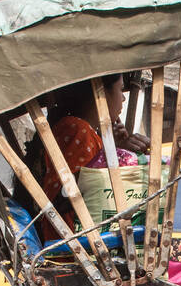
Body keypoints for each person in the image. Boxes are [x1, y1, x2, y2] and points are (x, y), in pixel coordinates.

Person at [28, 73, 145, 237]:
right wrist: (115, 154)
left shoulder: (85, 131)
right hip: (74, 236)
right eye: (119, 89)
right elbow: (81, 188)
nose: (123, 99)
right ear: (101, 93)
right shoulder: (77, 130)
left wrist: (117, 150)